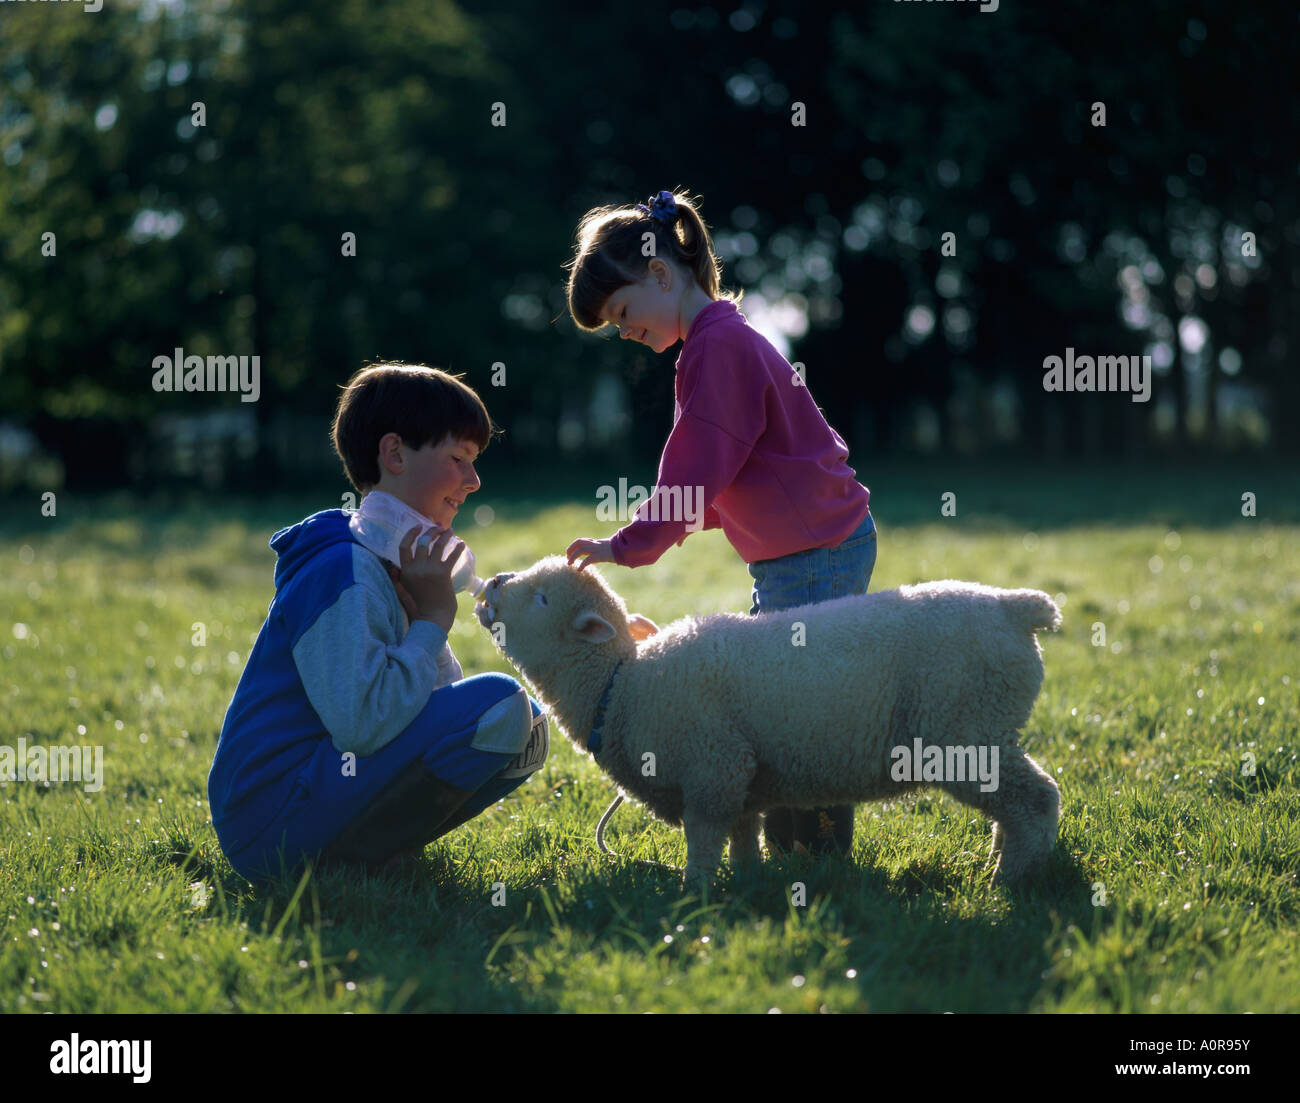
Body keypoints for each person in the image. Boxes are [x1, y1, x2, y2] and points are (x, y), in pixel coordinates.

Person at [563, 190, 876, 857]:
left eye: (622, 312)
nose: (623, 330)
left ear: (658, 274)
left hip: (816, 551)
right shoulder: (712, 343)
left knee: (807, 708)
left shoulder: (717, 349)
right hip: (802, 550)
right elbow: (721, 475)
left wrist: (628, 544)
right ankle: (799, 846)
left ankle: (818, 856)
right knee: (790, 699)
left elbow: (694, 475)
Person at [208, 364, 548, 882]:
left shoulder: (388, 561)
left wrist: (423, 622)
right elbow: (365, 723)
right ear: (394, 454)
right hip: (269, 821)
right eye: (458, 458)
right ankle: (344, 856)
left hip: (316, 793)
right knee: (500, 703)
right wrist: (433, 620)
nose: (474, 481)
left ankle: (363, 858)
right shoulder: (340, 569)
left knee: (529, 724)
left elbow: (436, 708)